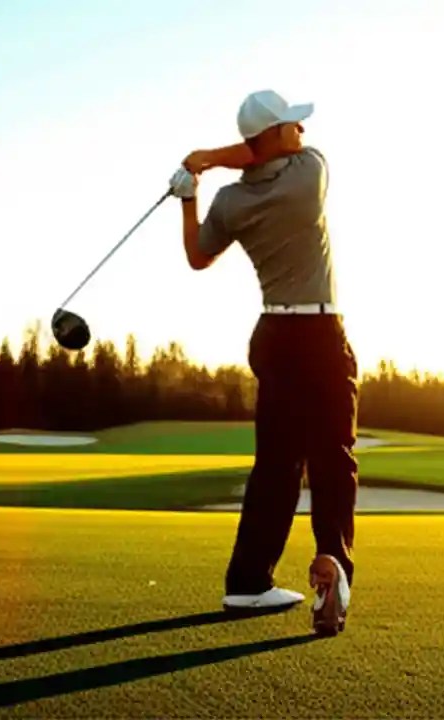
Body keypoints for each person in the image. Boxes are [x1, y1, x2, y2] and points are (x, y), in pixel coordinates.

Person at [167, 89, 358, 636]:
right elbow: (264, 152)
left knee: (275, 465)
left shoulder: (229, 203)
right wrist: (209, 156)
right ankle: (333, 569)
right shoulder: (308, 176)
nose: (302, 132)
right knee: (333, 457)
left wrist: (190, 192)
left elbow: (198, 256)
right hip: (319, 332)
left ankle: (248, 582)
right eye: (291, 126)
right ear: (276, 137)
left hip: (272, 334)